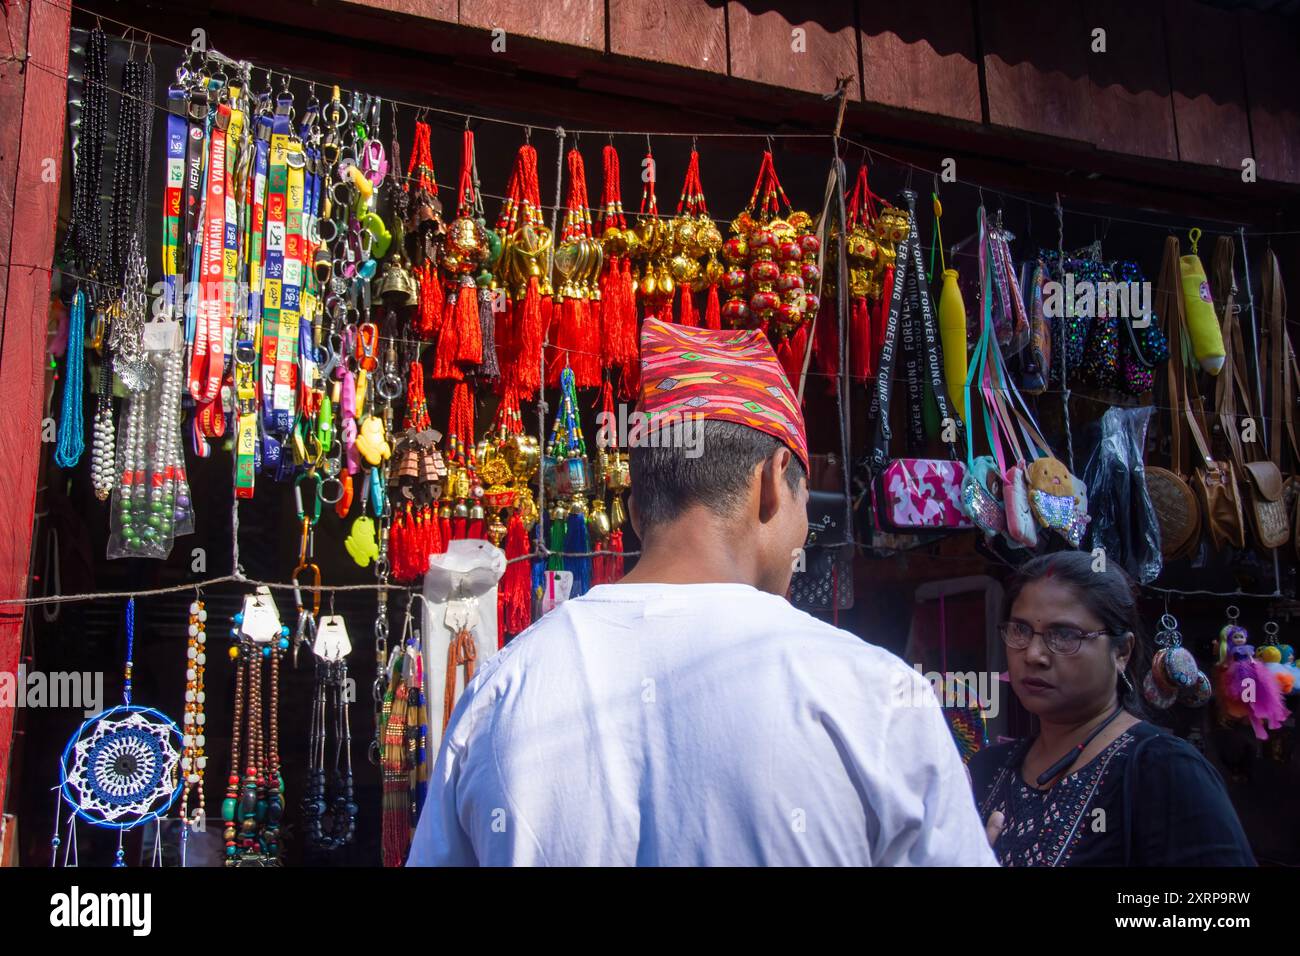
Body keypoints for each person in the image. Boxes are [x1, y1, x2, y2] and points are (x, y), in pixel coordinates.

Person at [408, 318, 996, 866]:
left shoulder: (501, 689)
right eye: (804, 502)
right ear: (771, 483)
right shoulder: (877, 698)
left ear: (635, 511)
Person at [969, 552, 1255, 866]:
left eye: (1064, 635)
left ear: (1122, 652)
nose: (1034, 654)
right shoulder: (987, 770)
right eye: (1021, 631)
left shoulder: (1165, 771)